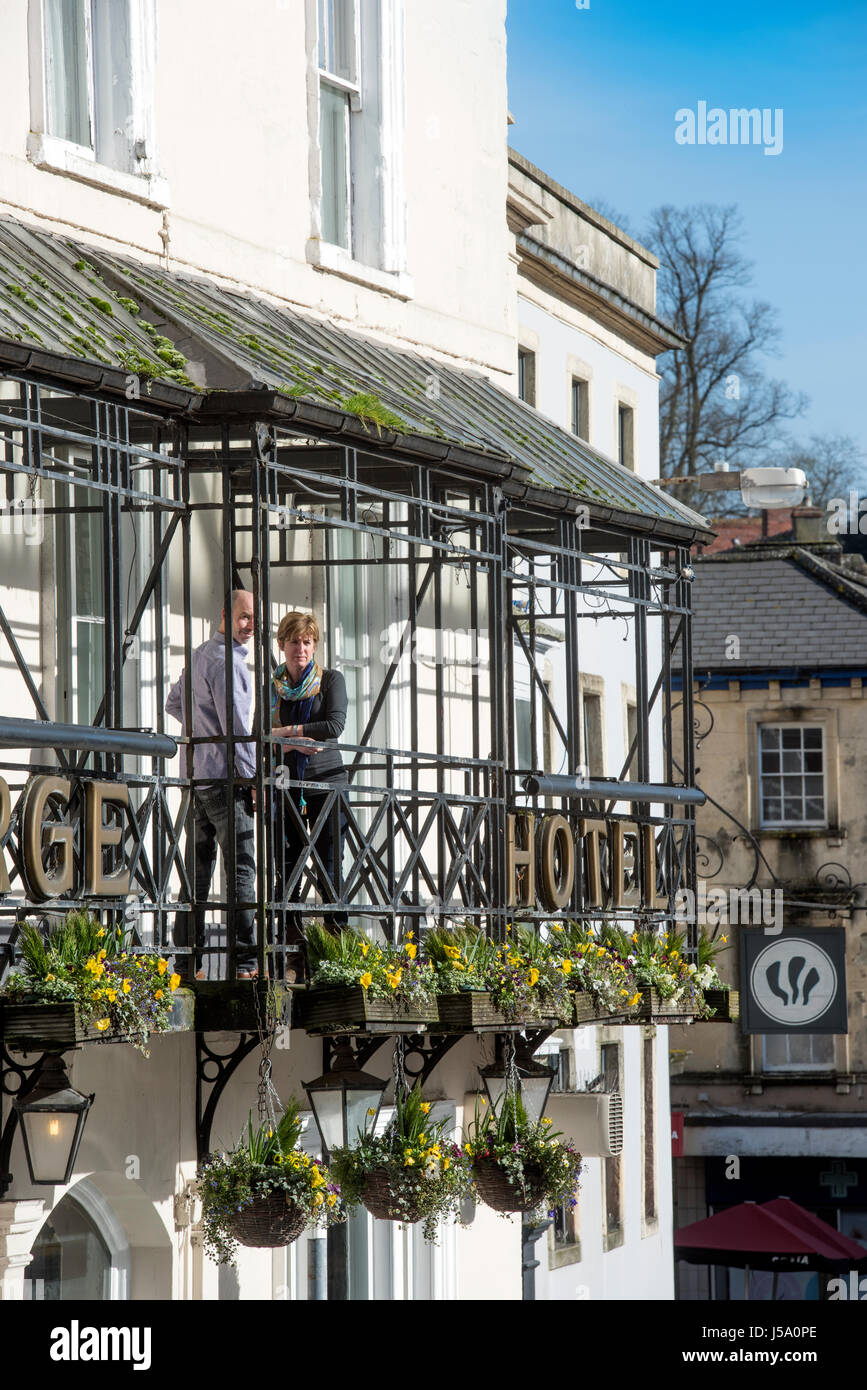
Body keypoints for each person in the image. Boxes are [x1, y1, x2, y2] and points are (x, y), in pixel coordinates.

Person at [166, 589, 258, 980]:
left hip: (196, 781)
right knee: (240, 871)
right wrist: (252, 777)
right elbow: (237, 729)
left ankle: (189, 964)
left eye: (254, 619)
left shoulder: (200, 655)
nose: (250, 625)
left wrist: (198, 728)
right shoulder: (228, 662)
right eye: (243, 617)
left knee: (196, 875)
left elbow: (173, 703)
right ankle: (246, 964)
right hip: (224, 780)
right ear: (225, 614)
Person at [270, 612, 348, 979]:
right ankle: (294, 955)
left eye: (307, 642)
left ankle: (335, 953)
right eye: (294, 641)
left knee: (330, 865)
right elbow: (260, 738)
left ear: (314, 646)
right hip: (288, 785)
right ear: (282, 644)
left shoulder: (331, 680)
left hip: (328, 784)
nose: (300, 648)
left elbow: (333, 725)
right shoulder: (273, 687)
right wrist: (289, 745)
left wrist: (289, 731)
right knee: (289, 867)